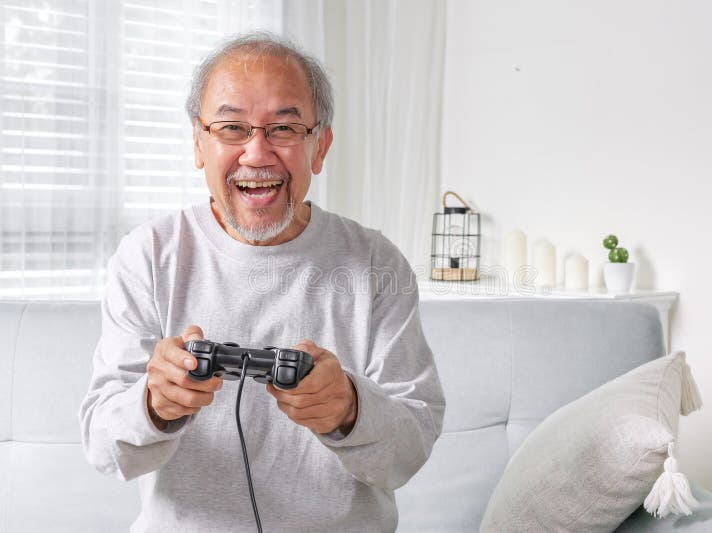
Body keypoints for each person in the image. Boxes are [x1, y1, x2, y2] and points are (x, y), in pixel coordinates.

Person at [79, 31, 445, 533]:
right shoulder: (149, 255)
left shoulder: (376, 263)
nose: (257, 153)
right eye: (232, 127)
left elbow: (410, 453)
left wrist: (347, 409)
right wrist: (154, 404)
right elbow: (105, 450)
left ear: (320, 147)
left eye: (285, 129)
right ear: (198, 143)